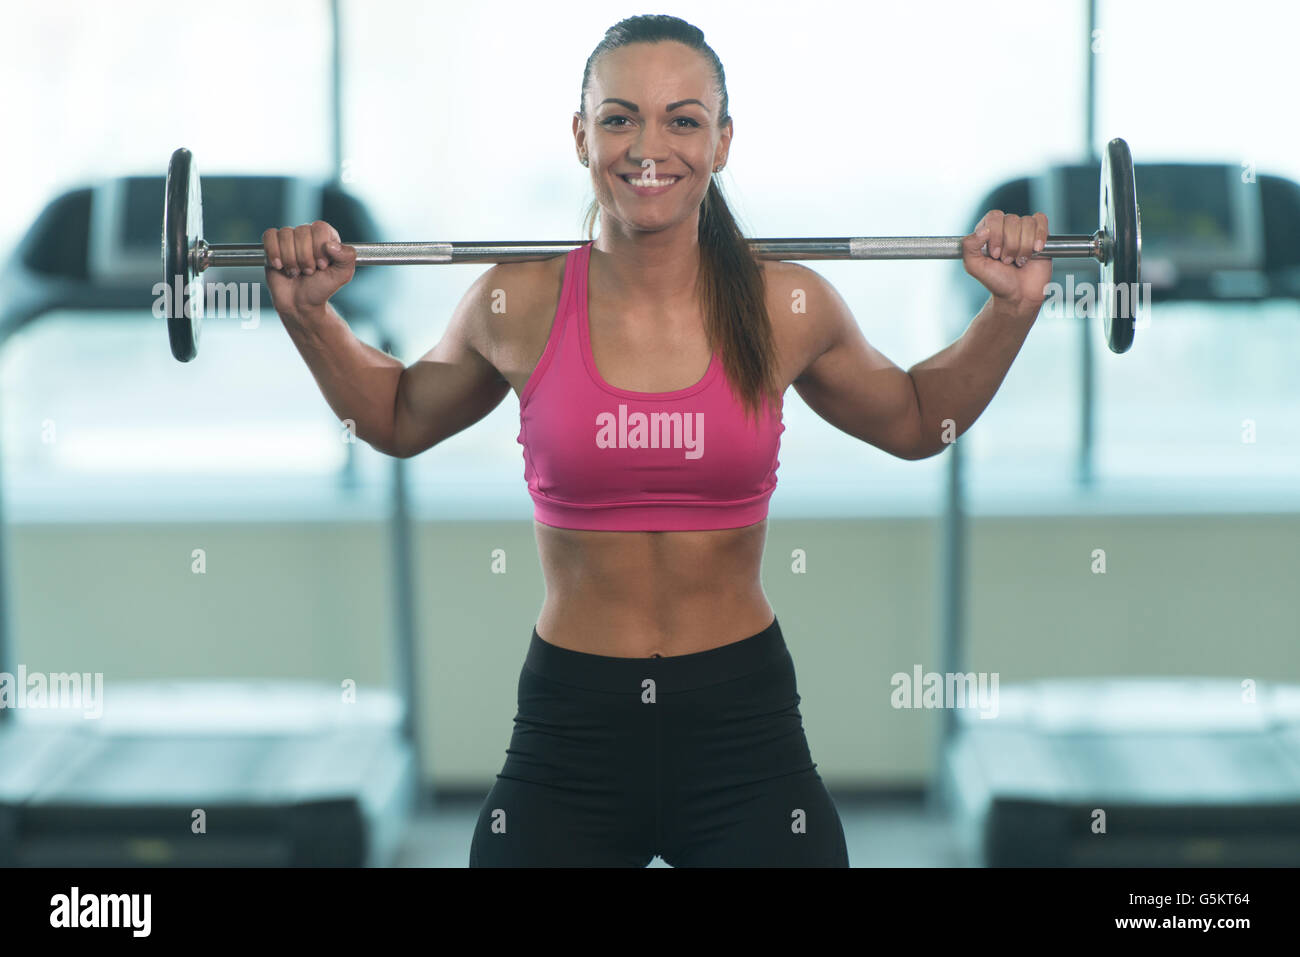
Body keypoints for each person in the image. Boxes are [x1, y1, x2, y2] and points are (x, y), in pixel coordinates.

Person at [260, 14, 1050, 867]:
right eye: (619, 117)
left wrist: (1009, 310)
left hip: (742, 722)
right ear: (580, 134)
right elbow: (399, 415)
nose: (650, 147)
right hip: (572, 724)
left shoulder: (788, 306)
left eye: (683, 119)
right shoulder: (516, 302)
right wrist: (312, 317)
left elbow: (915, 419)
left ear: (722, 139)